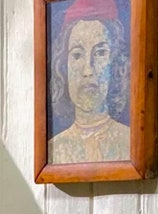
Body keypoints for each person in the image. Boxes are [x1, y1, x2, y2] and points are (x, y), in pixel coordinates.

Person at [48, 0, 131, 165]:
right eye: (77, 55)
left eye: (100, 53)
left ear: (114, 63)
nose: (88, 70)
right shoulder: (53, 150)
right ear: (64, 66)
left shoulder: (130, 143)